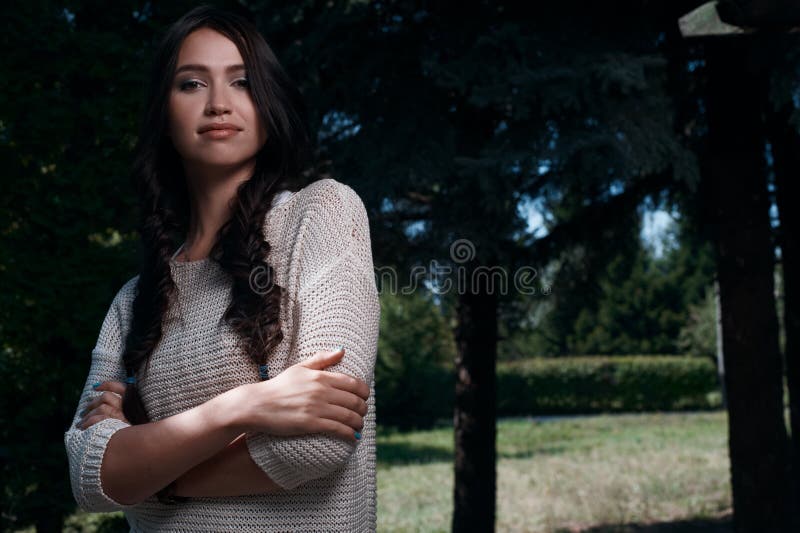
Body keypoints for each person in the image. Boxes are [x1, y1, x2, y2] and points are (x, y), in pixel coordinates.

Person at [63, 5, 380, 532]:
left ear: (268, 104)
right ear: (164, 116)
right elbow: (89, 477)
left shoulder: (322, 215)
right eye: (191, 83)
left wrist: (153, 473)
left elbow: (319, 441)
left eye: (242, 82)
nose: (217, 104)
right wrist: (244, 407)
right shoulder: (131, 302)